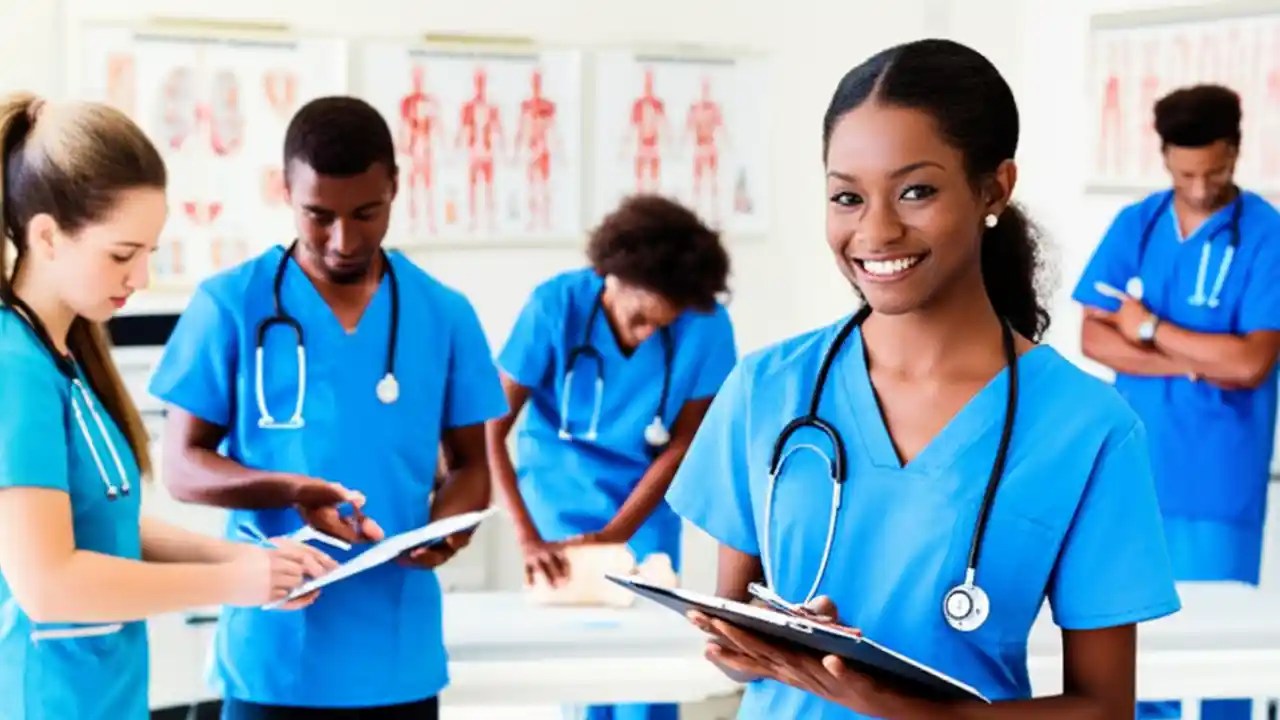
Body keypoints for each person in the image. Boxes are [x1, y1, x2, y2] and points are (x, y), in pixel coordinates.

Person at [665, 39, 1183, 719]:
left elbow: (1106, 706)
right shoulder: (767, 389)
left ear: (994, 187)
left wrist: (907, 708)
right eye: (847, 197)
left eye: (916, 191)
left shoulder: (1088, 428)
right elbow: (736, 634)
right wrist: (774, 647)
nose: (875, 231)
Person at [148, 96, 507, 720]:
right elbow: (181, 467)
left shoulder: (443, 313)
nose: (343, 239)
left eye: (367, 213)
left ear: (395, 188)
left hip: (397, 648)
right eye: (318, 215)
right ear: (285, 190)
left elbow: (473, 466)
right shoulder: (230, 304)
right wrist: (290, 488)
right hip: (274, 645)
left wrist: (447, 528)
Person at [0, 94, 332, 720]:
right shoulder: (12, 367)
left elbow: (105, 524)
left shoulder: (63, 358)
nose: (141, 278)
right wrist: (234, 584)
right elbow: (48, 585)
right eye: (122, 255)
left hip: (103, 696)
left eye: (149, 253)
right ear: (46, 236)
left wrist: (247, 559)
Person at [1073, 84, 1280, 720]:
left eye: (1215, 171)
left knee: (1215, 669)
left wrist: (1150, 329)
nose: (1199, 187)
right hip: (1132, 476)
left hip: (1219, 483)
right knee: (1138, 656)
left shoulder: (1267, 235)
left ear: (1237, 153)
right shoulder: (1137, 224)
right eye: (1186, 172)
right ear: (1164, 157)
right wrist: (1196, 362)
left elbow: (1250, 363)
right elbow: (1090, 336)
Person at [487, 193, 737, 720]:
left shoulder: (705, 323)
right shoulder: (555, 307)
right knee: (580, 662)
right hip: (559, 490)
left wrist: (616, 532)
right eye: (640, 318)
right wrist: (528, 538)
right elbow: (491, 429)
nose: (648, 334)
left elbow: (684, 444)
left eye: (660, 327)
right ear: (611, 278)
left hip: (645, 497)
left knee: (647, 655)